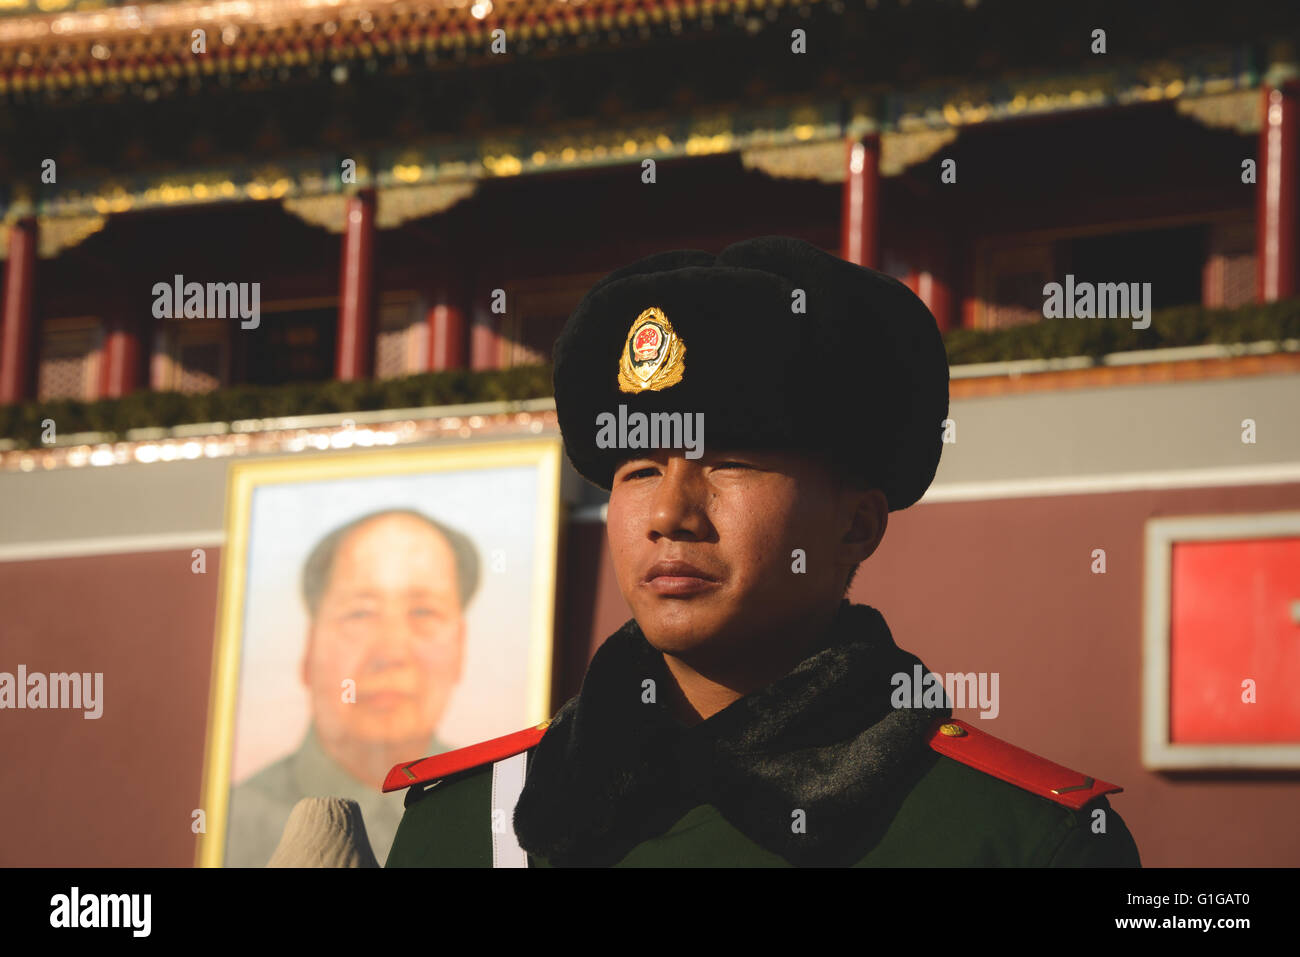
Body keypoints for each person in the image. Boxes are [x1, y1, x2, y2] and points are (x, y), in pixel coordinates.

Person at [382, 236, 1141, 867]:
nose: (670, 513)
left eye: (729, 463)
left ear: (857, 526)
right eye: (640, 468)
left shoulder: (1021, 840)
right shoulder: (469, 826)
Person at [225, 508, 479, 866]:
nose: (391, 653)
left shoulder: (490, 815)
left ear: (460, 648)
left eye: (424, 612)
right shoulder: (237, 820)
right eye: (360, 613)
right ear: (310, 645)